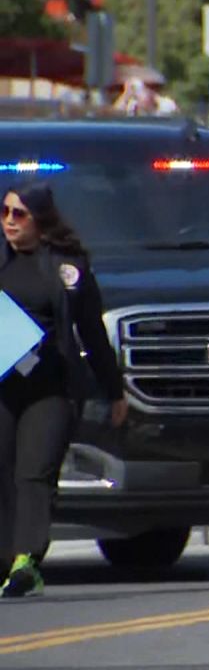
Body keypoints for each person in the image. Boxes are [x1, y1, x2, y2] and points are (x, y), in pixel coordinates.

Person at [1, 183, 125, 598]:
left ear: (40, 220)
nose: (9, 223)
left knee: (33, 473)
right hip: (2, 385)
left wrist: (114, 391)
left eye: (19, 215)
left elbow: (91, 331)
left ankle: (26, 561)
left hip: (50, 387)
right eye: (4, 213)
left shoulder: (67, 268)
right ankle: (6, 558)